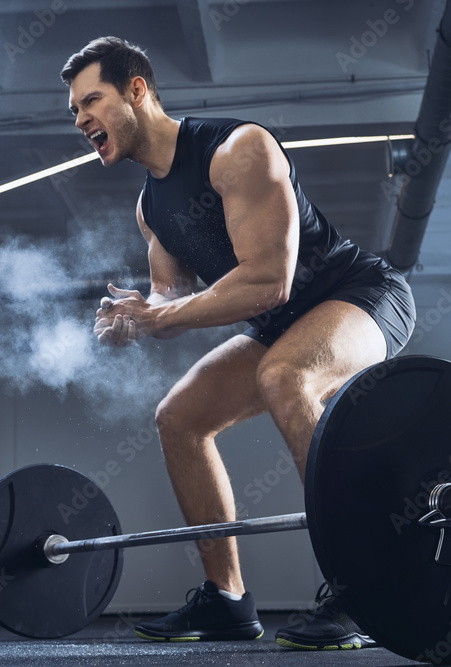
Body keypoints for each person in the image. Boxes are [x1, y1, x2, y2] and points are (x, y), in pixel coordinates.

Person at [61, 36, 416, 649]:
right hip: (280, 328)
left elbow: (268, 283)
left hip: (361, 294)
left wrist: (158, 319)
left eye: (91, 99)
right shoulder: (151, 208)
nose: (80, 118)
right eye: (73, 110)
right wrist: (135, 319)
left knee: (285, 376)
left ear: (137, 92)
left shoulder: (236, 150)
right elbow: (171, 300)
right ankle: (226, 600)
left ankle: (364, 585)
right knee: (178, 417)